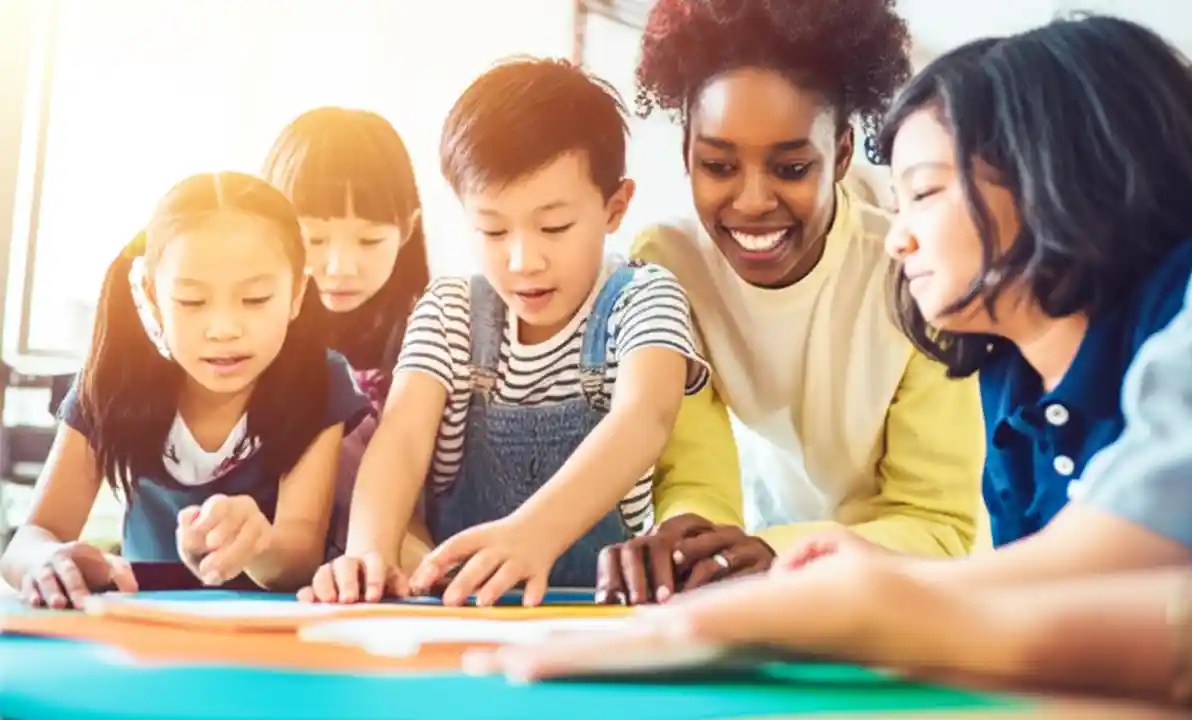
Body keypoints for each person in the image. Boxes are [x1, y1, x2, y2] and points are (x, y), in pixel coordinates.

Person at [467, 15, 1192, 709]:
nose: (901, 234)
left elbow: (1077, 556)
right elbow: (1092, 555)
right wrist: (729, 563)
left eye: (924, 192)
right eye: (718, 164)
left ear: (1053, 181)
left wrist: (850, 594)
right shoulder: (667, 269)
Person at [597, 0, 984, 605]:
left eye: (793, 166)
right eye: (718, 165)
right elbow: (696, 469)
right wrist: (688, 538)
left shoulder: (911, 271)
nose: (752, 201)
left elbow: (937, 524)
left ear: (843, 153)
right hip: (762, 582)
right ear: (685, 157)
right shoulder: (668, 262)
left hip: (901, 589)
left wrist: (784, 551)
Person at [300, 58, 724, 608]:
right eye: (493, 229)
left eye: (554, 227)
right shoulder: (451, 309)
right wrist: (368, 553)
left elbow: (645, 416)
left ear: (614, 207)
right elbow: (401, 439)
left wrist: (534, 533)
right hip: (465, 616)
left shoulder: (643, 297)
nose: (523, 261)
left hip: (598, 617)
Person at [882, 15, 1192, 544]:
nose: (895, 240)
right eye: (894, 206)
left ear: (1051, 170)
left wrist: (894, 587)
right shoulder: (1007, 385)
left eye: (923, 193)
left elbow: (1149, 551)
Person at [0, 172, 370, 607]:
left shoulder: (319, 381)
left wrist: (256, 543)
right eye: (192, 302)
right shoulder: (111, 382)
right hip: (142, 628)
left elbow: (299, 557)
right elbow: (30, 540)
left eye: (256, 300)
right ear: (154, 298)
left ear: (295, 294)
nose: (224, 329)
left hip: (272, 636)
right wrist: (49, 559)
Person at [261, 107, 430, 559]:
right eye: (314, 240)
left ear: (407, 229)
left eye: (370, 241)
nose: (341, 268)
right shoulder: (247, 337)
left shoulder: (435, 337)